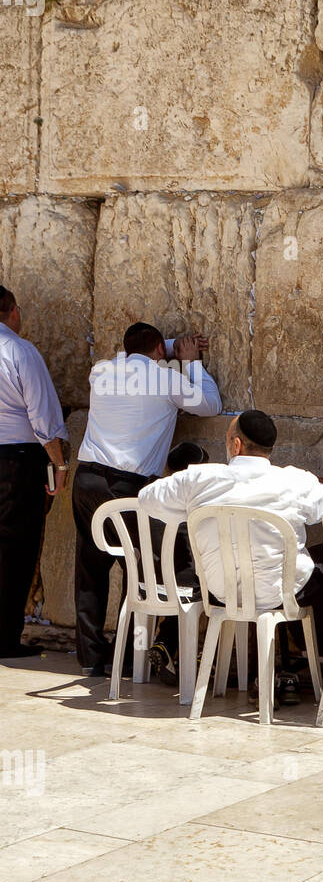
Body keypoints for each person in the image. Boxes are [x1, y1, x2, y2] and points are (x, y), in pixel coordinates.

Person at [138, 410, 323, 703]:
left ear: (235, 446)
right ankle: (321, 659)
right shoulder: (294, 482)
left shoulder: (198, 478)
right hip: (280, 593)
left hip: (220, 591)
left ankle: (280, 669)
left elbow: (147, 498)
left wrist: (188, 511)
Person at [73, 322, 221, 674]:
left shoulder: (102, 371)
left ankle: (91, 658)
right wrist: (190, 360)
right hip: (128, 486)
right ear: (159, 352)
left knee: (90, 571)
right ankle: (128, 656)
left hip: (87, 479)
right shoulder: (166, 379)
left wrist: (168, 345)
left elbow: (131, 353)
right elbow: (210, 405)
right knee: (140, 573)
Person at [0, 285, 69, 658]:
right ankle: (5, 638)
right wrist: (58, 464)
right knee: (15, 548)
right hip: (16, 461)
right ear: (12, 310)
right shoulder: (20, 351)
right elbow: (43, 417)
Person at [146, 440, 210, 686]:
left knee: (183, 586)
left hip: (148, 586)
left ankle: (164, 645)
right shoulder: (194, 507)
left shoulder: (151, 497)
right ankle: (205, 657)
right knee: (207, 590)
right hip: (184, 587)